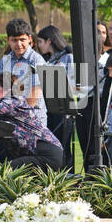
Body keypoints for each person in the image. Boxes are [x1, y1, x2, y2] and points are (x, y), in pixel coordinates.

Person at [0, 18, 47, 130]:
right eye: (14, 40)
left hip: (33, 120)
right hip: (10, 119)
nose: (19, 44)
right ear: (8, 40)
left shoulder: (36, 60)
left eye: (22, 39)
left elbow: (34, 96)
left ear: (30, 39)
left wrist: (15, 113)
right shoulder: (5, 61)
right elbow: (2, 91)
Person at [35, 24, 75, 153]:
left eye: (40, 42)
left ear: (49, 41)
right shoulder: (46, 60)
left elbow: (74, 83)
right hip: (49, 107)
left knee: (64, 147)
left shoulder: (69, 56)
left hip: (64, 108)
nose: (39, 45)